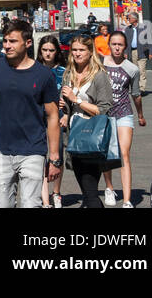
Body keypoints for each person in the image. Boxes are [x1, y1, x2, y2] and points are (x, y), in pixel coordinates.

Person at [0, 19, 62, 208]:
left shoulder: (44, 75)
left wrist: (54, 157)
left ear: (28, 43)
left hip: (33, 151)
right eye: (5, 41)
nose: (7, 46)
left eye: (13, 41)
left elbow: (53, 116)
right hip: (0, 151)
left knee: (31, 204)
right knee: (2, 205)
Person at [61, 33, 114, 208]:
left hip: (92, 136)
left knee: (90, 190)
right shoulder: (69, 74)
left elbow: (103, 109)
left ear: (91, 52)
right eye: (74, 50)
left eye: (81, 50)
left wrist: (76, 100)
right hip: (73, 134)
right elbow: (66, 103)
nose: (77, 53)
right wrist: (65, 108)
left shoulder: (99, 76)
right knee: (87, 191)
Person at [100, 30, 144, 207]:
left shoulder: (132, 69)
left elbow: (136, 94)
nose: (117, 48)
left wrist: (140, 114)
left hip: (124, 112)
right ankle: (109, 188)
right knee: (108, 154)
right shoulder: (100, 63)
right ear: (109, 45)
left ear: (125, 47)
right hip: (104, 114)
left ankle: (127, 200)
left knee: (124, 154)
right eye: (114, 44)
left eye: (120, 45)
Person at [37, 34, 66, 207]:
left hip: (58, 117)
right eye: (44, 50)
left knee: (57, 157)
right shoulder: (34, 69)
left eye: (51, 50)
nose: (48, 54)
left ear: (57, 52)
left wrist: (67, 111)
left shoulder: (63, 71)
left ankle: (56, 192)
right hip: (38, 117)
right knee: (40, 156)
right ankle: (45, 199)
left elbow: (69, 93)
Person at [125, 11, 151, 92]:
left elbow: (149, 40)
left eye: (129, 18)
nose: (128, 20)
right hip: (132, 52)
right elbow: (126, 41)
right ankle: (135, 87)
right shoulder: (128, 29)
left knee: (142, 70)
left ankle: (142, 88)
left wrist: (151, 52)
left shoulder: (143, 28)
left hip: (142, 52)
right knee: (134, 71)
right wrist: (125, 52)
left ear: (134, 19)